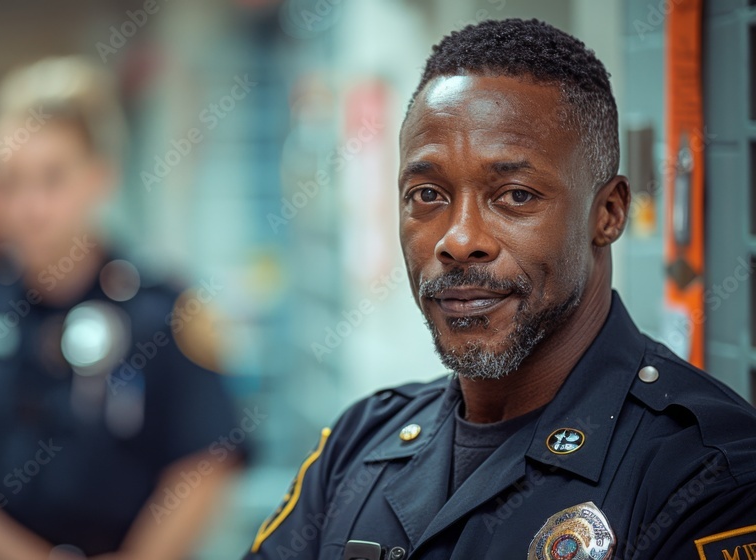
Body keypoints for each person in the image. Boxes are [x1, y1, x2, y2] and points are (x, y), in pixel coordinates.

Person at [244, 19, 756, 560]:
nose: (459, 240)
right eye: (427, 194)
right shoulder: (358, 447)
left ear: (607, 213)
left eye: (514, 196)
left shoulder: (706, 474)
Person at [0, 57, 245, 560]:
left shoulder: (162, 312)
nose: (31, 206)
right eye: (9, 182)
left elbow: (205, 465)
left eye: (53, 179)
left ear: (99, 177)